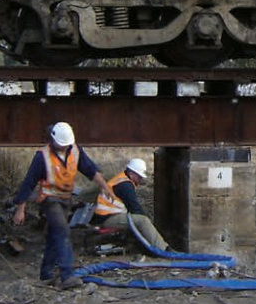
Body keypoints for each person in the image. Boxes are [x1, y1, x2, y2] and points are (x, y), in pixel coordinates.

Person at [12, 122, 111, 289]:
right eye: (61, 145)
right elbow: (28, 183)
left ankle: (46, 275)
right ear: (53, 141)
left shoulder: (75, 151)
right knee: (63, 231)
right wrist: (20, 209)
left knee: (54, 235)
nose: (64, 148)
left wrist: (104, 185)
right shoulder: (42, 156)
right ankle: (66, 276)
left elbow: (89, 169)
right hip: (49, 200)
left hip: (65, 200)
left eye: (67, 145)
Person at [93, 158, 172, 253]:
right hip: (107, 219)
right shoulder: (125, 186)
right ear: (131, 173)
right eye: (139, 177)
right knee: (143, 221)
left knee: (142, 218)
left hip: (106, 216)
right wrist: (148, 224)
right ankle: (163, 250)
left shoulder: (121, 179)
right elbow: (135, 209)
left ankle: (147, 244)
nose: (140, 179)